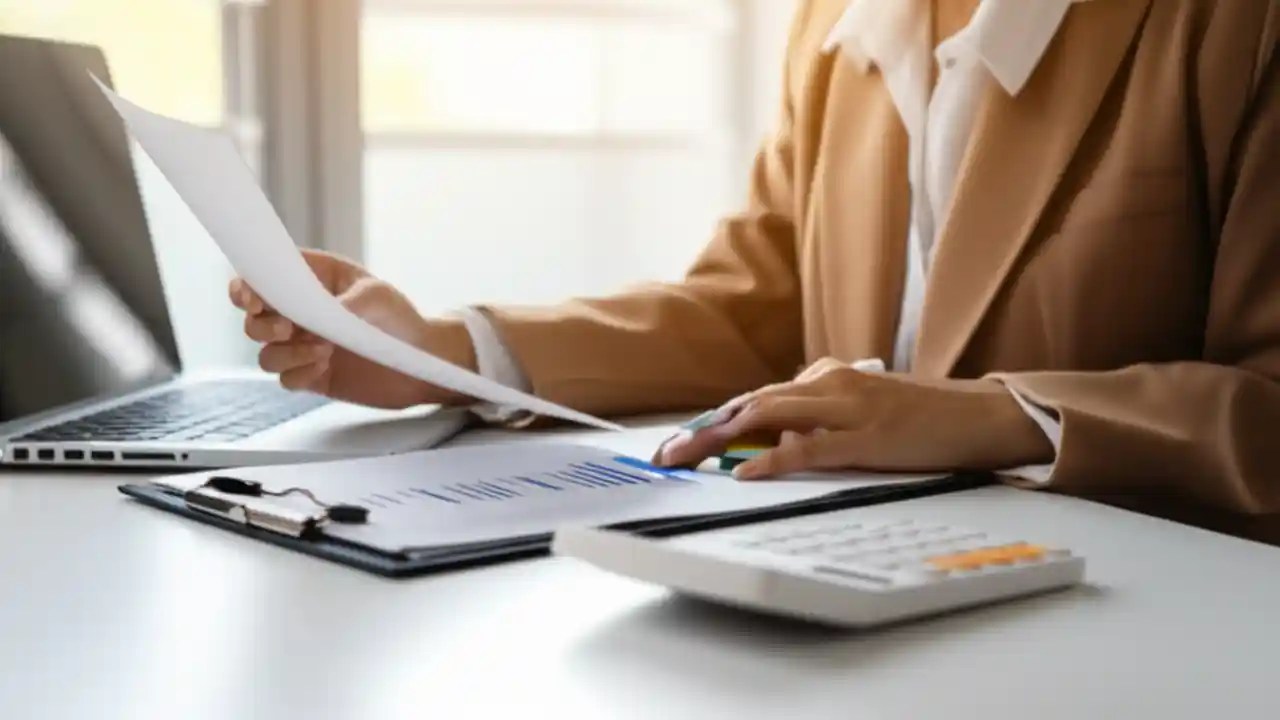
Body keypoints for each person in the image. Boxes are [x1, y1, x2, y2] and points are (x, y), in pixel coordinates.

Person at [230, 0, 1280, 543]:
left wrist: (995, 416)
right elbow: (753, 309)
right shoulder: (833, 25)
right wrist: (444, 352)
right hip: (857, 588)